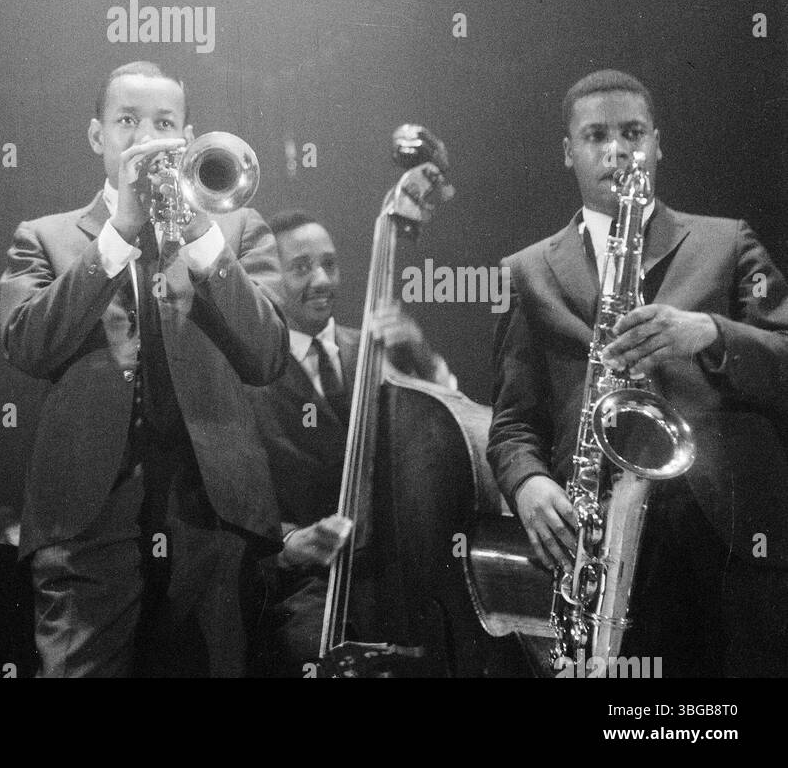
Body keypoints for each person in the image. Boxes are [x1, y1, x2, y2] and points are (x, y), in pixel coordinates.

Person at [488, 69, 788, 676]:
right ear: (568, 151)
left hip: (723, 539)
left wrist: (711, 332)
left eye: (633, 133)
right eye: (596, 136)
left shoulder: (726, 243)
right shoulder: (527, 272)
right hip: (601, 546)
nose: (618, 150)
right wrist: (526, 483)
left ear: (658, 143)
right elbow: (514, 421)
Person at [0, 61, 288, 677]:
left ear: (187, 138)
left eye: (164, 123)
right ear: (97, 136)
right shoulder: (44, 237)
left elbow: (267, 356)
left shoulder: (234, 231)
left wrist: (203, 236)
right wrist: (120, 233)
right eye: (128, 121)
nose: (147, 139)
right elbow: (27, 344)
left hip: (214, 516)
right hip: (85, 521)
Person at [248, 209, 457, 676]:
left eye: (330, 264)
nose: (322, 280)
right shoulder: (246, 378)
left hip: (397, 579)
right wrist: (287, 544)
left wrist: (423, 356)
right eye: (301, 267)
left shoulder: (374, 350)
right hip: (306, 593)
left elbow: (456, 427)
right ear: (264, 280)